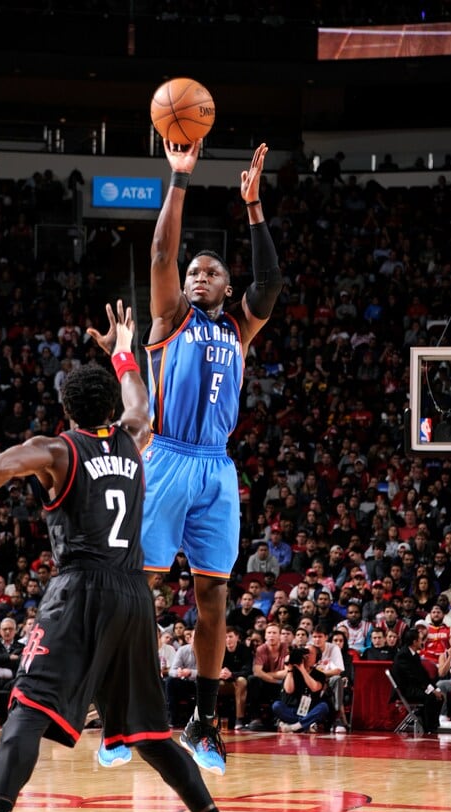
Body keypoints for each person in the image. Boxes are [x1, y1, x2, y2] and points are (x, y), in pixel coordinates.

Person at [0, 302, 254, 812]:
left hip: (79, 590)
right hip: (133, 597)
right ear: (109, 408)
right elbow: (140, 403)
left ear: (66, 410)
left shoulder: (59, 449)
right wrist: (122, 352)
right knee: (152, 736)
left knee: (25, 713)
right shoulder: (135, 438)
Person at [104, 137, 281, 776]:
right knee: (139, 590)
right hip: (169, 459)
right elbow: (161, 253)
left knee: (214, 597)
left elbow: (271, 283)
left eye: (211, 272)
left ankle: (203, 722)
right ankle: (122, 712)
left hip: (217, 467)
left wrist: (253, 207)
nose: (198, 276)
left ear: (228, 287)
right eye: (193, 272)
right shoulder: (169, 320)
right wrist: (179, 179)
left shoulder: (238, 327)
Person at [392, 628, 443, 734]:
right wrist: (431, 691)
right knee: (430, 697)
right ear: (414, 642)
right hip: (406, 690)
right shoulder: (403, 655)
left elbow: (424, 675)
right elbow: (414, 677)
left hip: (416, 687)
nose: (422, 642)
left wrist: (435, 688)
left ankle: (433, 725)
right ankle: (428, 728)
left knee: (440, 696)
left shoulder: (414, 654)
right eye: (420, 640)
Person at [273, 644, 330, 733]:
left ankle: (294, 726)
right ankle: (305, 724)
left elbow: (314, 688)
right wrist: (290, 670)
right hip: (291, 709)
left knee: (324, 707)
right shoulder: (292, 672)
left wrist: (302, 669)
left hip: (309, 710)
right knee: (277, 705)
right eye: (305, 652)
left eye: (310, 653)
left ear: (316, 658)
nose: (306, 655)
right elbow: (289, 690)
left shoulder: (320, 675)